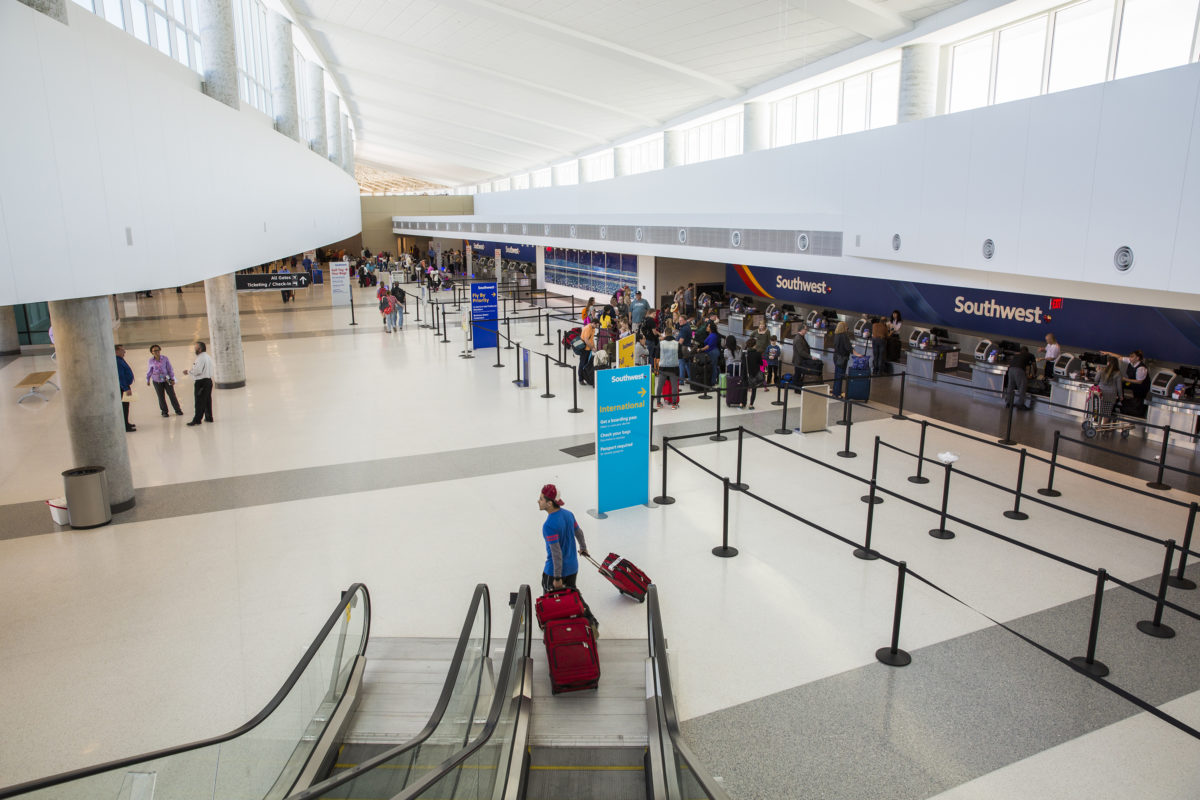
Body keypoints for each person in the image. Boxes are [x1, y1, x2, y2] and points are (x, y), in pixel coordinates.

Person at [537, 484, 598, 634]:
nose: (538, 501)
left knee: (550, 599)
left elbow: (556, 554)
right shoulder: (568, 514)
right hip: (572, 567)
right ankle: (590, 621)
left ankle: (552, 628)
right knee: (573, 594)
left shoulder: (549, 525)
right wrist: (583, 547)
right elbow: (579, 533)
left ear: (549, 503)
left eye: (541, 499)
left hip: (554, 571)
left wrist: (557, 577)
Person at [1103, 349, 1151, 417]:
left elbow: (1139, 381)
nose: (1130, 358)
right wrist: (1108, 352)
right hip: (1133, 382)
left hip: (1142, 386)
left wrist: (1126, 379)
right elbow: (1119, 357)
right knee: (1121, 385)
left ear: (1137, 358)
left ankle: (1137, 413)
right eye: (1130, 356)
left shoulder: (1141, 368)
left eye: (1132, 357)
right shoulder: (1131, 361)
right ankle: (1120, 399)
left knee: (1138, 399)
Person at [145, 344, 184, 418]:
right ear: (152, 352)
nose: (157, 352)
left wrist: (172, 378)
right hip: (157, 381)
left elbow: (169, 368)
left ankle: (178, 410)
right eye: (154, 351)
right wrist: (148, 379)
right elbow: (149, 370)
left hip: (167, 379)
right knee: (161, 397)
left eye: (158, 350)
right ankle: (164, 411)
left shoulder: (165, 358)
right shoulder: (151, 361)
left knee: (172, 395)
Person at [183, 341, 214, 426]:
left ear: (200, 349)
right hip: (208, 381)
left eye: (195, 348)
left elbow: (197, 371)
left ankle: (197, 420)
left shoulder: (200, 358)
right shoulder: (208, 357)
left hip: (201, 383)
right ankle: (209, 417)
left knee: (199, 401)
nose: (194, 349)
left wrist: (188, 372)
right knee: (207, 400)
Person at [831, 321, 861, 398]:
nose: (847, 328)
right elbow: (848, 347)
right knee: (840, 375)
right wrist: (857, 354)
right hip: (842, 358)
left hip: (836, 357)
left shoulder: (836, 335)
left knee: (837, 375)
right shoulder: (844, 335)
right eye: (846, 326)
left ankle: (835, 391)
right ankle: (837, 393)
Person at [1094, 356, 1123, 424]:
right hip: (1111, 395)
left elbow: (1096, 380)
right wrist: (1120, 396)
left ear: (1108, 363)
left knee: (1099, 410)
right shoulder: (1118, 373)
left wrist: (1097, 371)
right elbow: (1119, 386)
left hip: (1101, 393)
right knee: (1107, 413)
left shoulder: (1102, 370)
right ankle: (1103, 428)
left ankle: (1097, 425)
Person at [657, 328, 680, 408]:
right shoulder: (677, 343)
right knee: (674, 386)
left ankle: (658, 403)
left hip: (663, 367)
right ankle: (674, 404)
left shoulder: (661, 343)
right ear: (672, 334)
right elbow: (680, 355)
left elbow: (656, 355)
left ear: (665, 334)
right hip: (673, 367)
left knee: (660, 385)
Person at [115, 345, 136, 432]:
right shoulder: (117, 360)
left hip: (125, 386)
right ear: (117, 351)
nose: (124, 352)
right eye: (122, 350)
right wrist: (126, 388)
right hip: (123, 387)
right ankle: (125, 425)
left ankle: (126, 423)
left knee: (126, 406)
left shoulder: (120, 359)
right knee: (124, 407)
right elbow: (121, 376)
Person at [578, 319, 596, 386]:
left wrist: (593, 346)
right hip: (584, 349)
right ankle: (581, 379)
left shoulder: (592, 328)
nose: (597, 326)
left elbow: (591, 339)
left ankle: (585, 377)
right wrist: (592, 347)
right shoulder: (588, 328)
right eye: (596, 325)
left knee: (586, 364)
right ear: (593, 323)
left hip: (589, 349)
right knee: (582, 364)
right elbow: (586, 340)